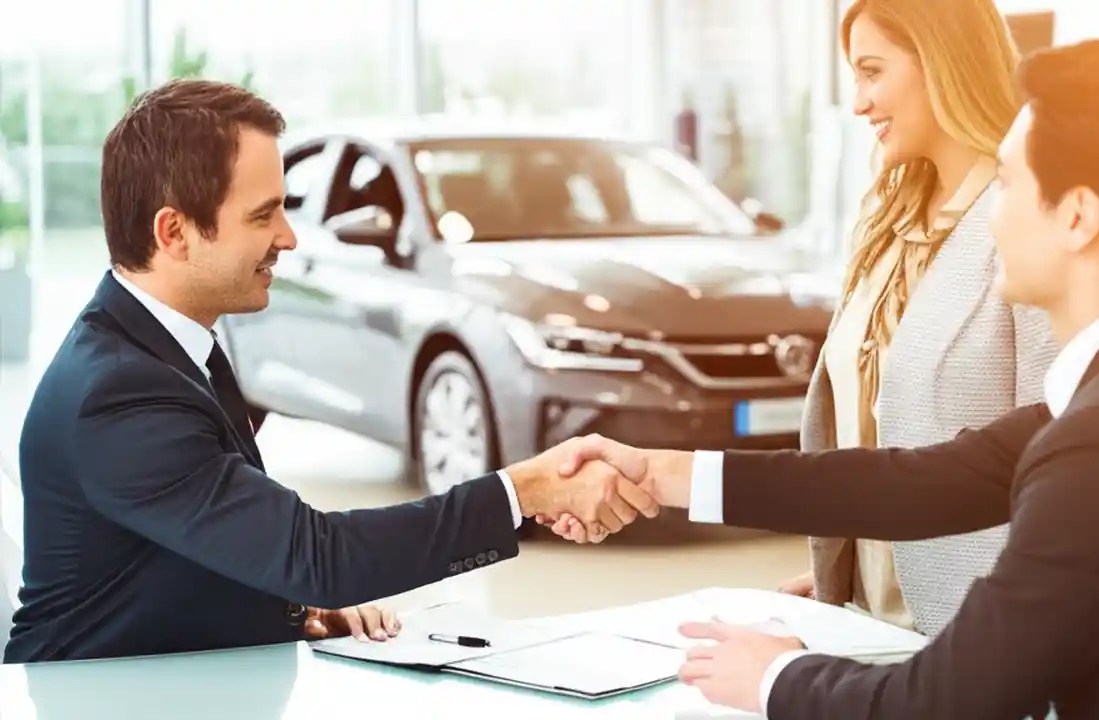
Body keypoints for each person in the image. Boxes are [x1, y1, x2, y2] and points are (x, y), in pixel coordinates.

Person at [554, 40, 1099, 718]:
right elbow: (926, 482)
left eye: (1007, 183)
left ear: (1079, 217)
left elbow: (951, 700)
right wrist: (662, 475)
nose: (989, 219)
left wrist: (775, 676)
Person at [4, 80, 656, 664]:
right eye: (263, 215)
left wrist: (291, 607)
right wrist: (525, 492)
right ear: (174, 232)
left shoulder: (165, 348)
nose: (289, 237)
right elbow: (317, 555)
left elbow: (208, 540)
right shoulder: (119, 396)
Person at [773, 0, 1056, 636]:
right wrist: (849, 571)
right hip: (870, 618)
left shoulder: (1023, 222)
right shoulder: (886, 222)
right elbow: (869, 428)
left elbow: (1055, 462)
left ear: (941, 64)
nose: (858, 104)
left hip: (981, 630)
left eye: (872, 72)